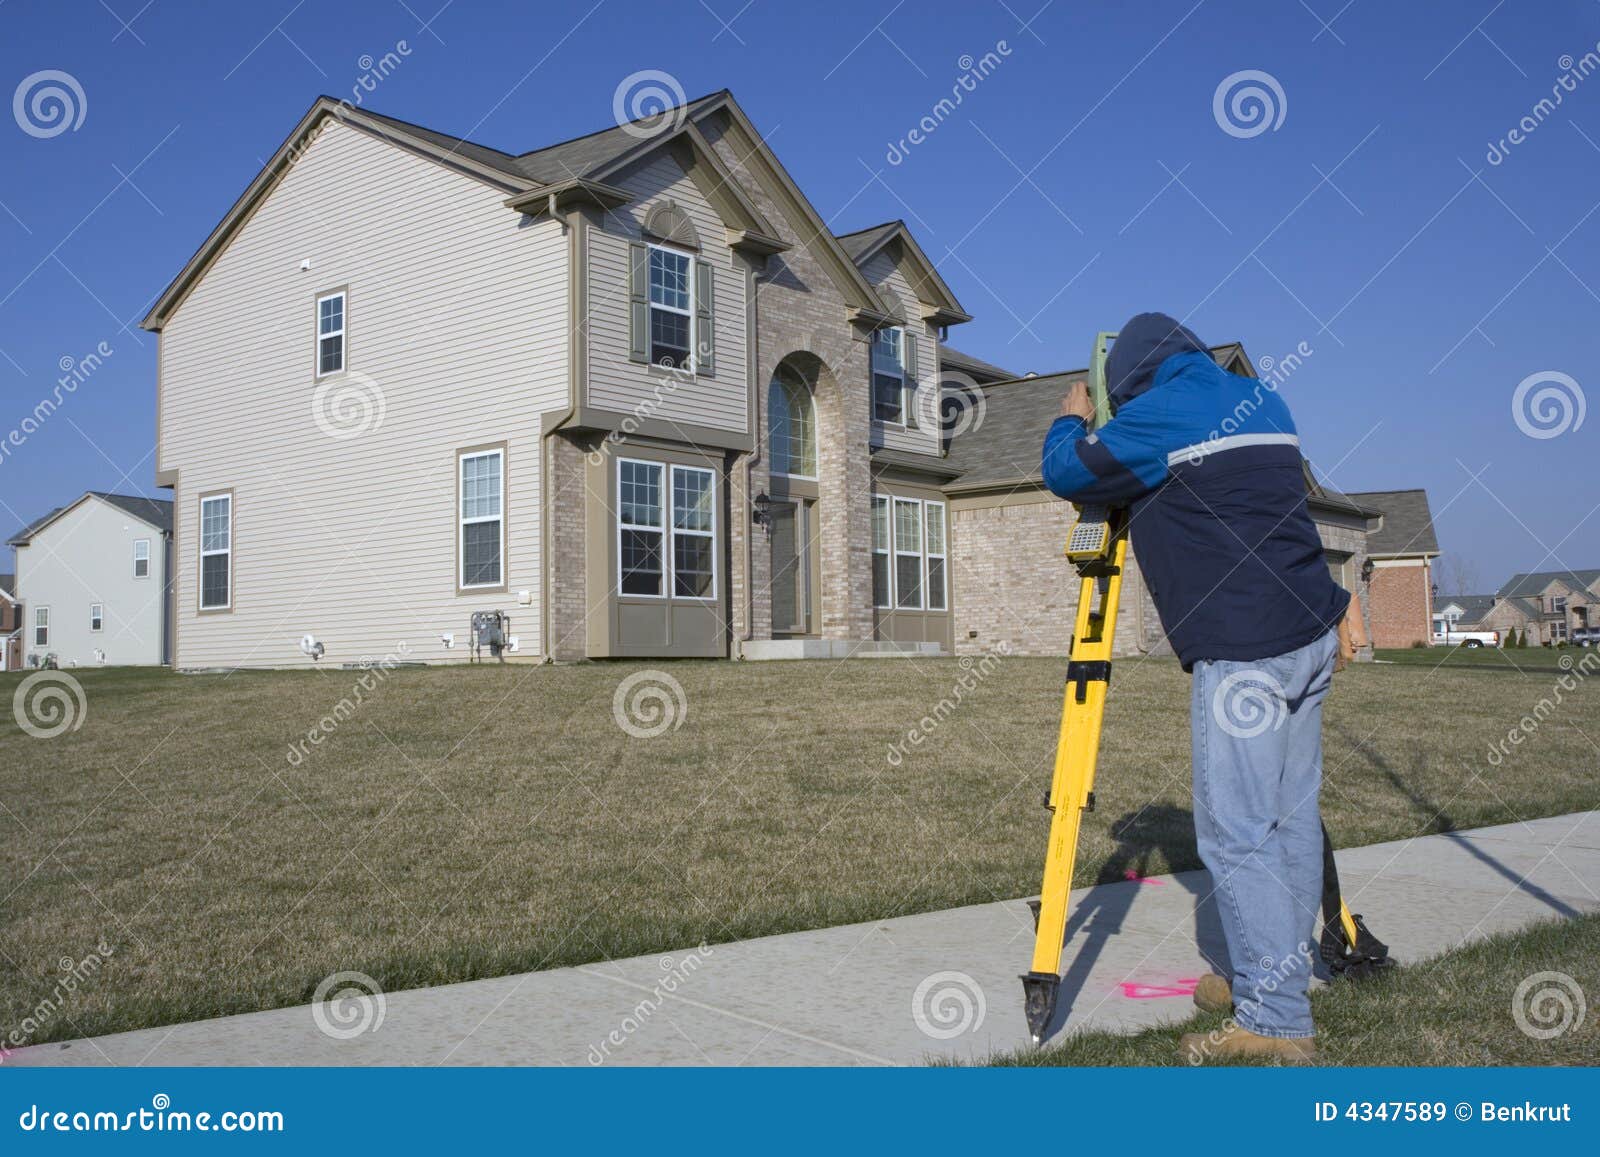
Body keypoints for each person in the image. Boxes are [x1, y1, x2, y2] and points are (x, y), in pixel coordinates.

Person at [1041, 312, 1356, 1064]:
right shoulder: (1263, 401)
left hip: (1245, 650)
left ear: (1131, 380)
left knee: (1237, 832)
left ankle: (1275, 1022)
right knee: (1289, 819)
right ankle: (1263, 973)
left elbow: (1070, 471)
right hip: (1312, 630)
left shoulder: (1155, 415)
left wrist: (1069, 421)